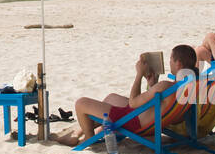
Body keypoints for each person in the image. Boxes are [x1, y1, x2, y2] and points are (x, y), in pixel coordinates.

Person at [55, 45, 199, 147]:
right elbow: (163, 107)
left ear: (178, 64)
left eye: (171, 59)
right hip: (149, 120)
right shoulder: (189, 86)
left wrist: (139, 75)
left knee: (81, 103)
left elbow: (133, 103)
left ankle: (88, 137)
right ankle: (77, 133)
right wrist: (152, 84)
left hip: (134, 121)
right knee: (111, 98)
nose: (169, 62)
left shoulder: (166, 86)